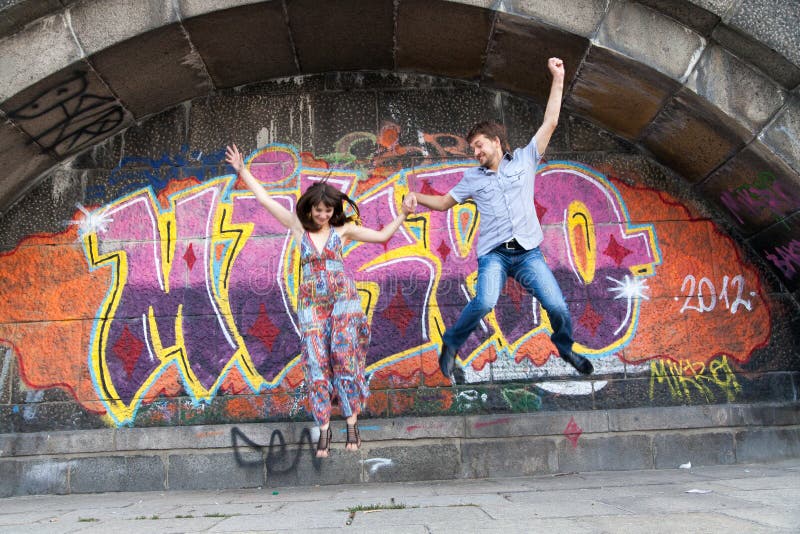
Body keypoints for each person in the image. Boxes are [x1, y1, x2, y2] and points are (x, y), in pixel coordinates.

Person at [403, 57, 594, 382]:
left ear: (495, 142)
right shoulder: (472, 178)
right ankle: (450, 345)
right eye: (472, 148)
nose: (475, 151)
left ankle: (564, 347)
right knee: (485, 301)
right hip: (494, 255)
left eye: (479, 145)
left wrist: (558, 78)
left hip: (528, 254)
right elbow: (444, 203)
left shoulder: (525, 158)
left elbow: (550, 122)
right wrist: (416, 197)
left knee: (558, 307)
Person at [226, 143, 416, 457]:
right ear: (309, 208)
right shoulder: (298, 229)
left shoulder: (343, 232)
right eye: (318, 210)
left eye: (328, 210)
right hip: (311, 305)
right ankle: (324, 430)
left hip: (344, 303)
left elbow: (382, 236)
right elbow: (265, 200)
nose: (323, 215)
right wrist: (243, 170)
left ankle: (352, 422)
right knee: (316, 363)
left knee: (344, 359)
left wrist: (404, 214)